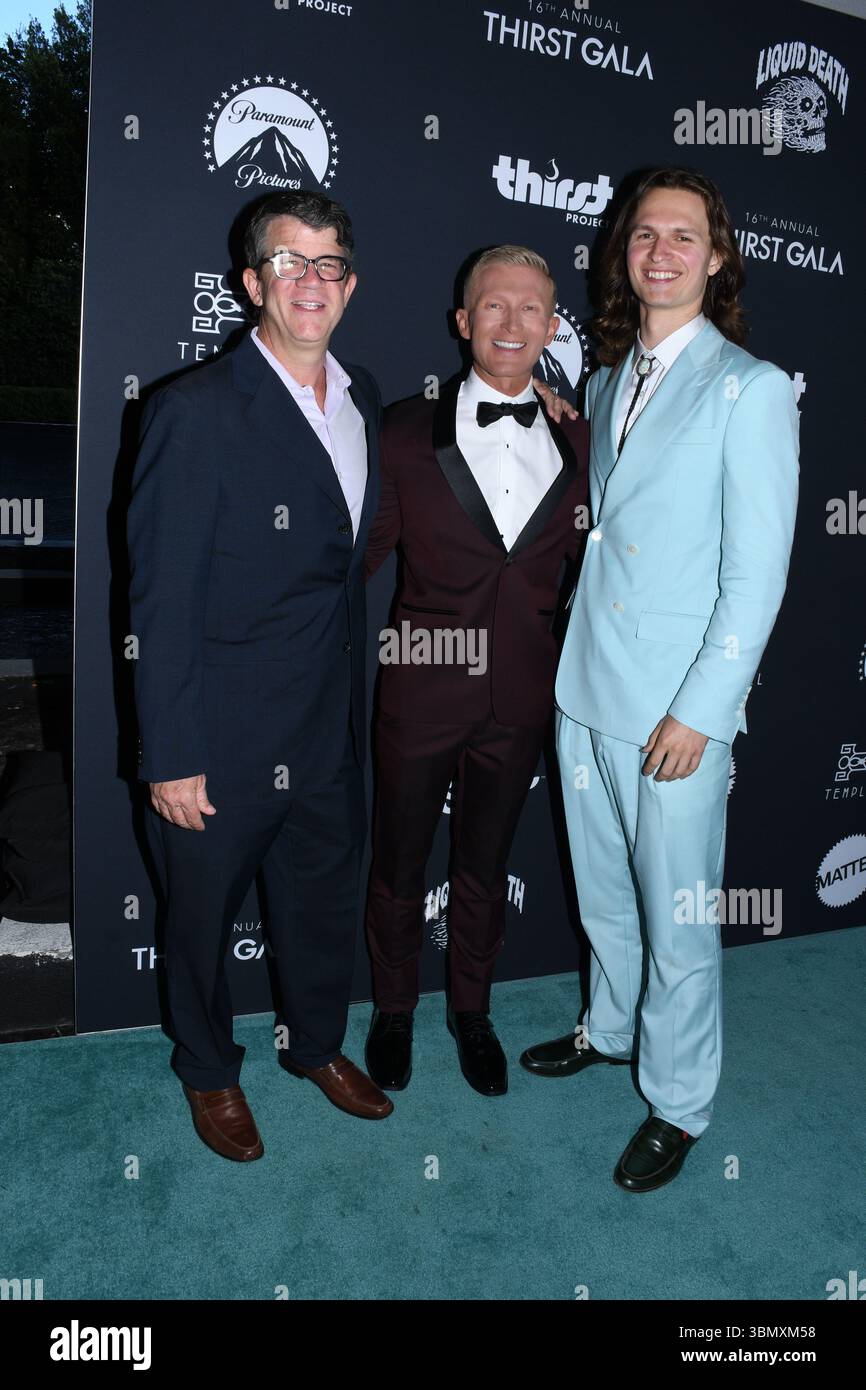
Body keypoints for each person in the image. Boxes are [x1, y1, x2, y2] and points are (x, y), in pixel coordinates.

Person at [522, 167, 799, 1192]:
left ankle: (677, 1099)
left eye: (684, 236)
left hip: (676, 708)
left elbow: (755, 573)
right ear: (622, 255)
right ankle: (604, 1026)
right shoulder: (602, 381)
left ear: (714, 257)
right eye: (645, 234)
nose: (661, 251)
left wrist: (701, 709)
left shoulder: (751, 389)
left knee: (676, 913)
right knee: (600, 893)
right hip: (584, 683)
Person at [128, 190, 392, 1163]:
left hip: (326, 730)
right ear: (252, 282)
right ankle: (206, 1068)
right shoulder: (190, 412)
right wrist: (172, 753)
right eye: (289, 262)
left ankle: (314, 1045)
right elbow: (157, 604)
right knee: (198, 921)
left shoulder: (362, 394)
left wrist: (539, 397)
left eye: (328, 265)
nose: (311, 282)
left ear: (349, 284)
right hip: (218, 737)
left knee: (321, 904)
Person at [363, 246, 589, 1097]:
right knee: (398, 860)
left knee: (486, 864)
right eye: (493, 306)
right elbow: (360, 565)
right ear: (463, 322)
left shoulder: (582, 435)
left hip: (522, 693)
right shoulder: (399, 430)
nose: (511, 323)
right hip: (420, 685)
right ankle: (392, 1009)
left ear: (551, 326)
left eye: (530, 309)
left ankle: (472, 1010)